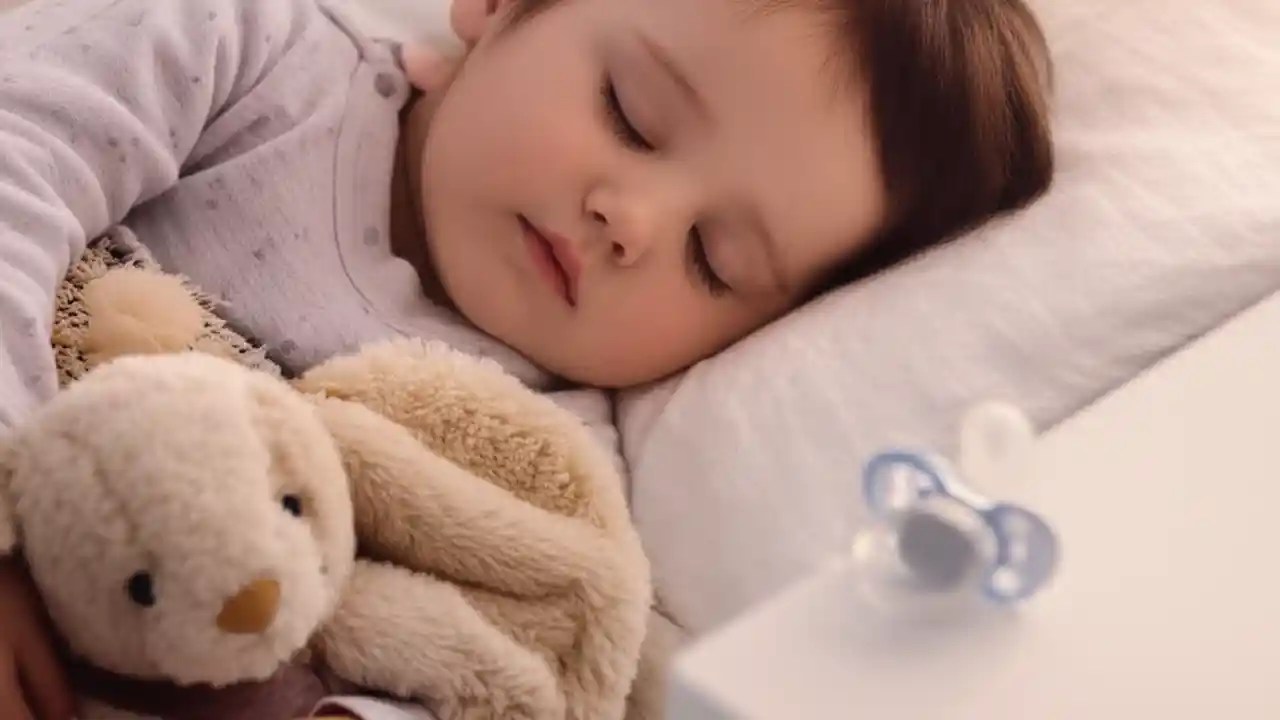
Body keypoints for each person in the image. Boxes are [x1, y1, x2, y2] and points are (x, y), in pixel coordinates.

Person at [0, 0, 1054, 716]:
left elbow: (501, 666)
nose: (630, 221)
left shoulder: (536, 462)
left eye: (712, 260)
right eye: (631, 116)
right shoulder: (245, 53)